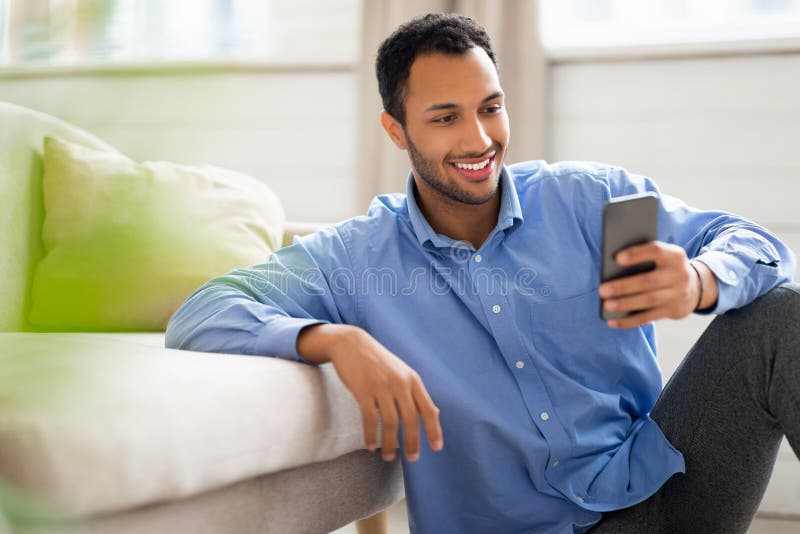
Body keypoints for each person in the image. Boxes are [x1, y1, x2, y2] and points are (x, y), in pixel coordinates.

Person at [165, 13, 800, 534]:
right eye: (445, 118)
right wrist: (333, 339)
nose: (478, 139)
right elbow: (203, 310)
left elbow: (754, 242)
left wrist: (700, 279)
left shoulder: (588, 198)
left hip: (660, 495)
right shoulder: (356, 258)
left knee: (779, 316)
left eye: (489, 108)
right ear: (396, 129)